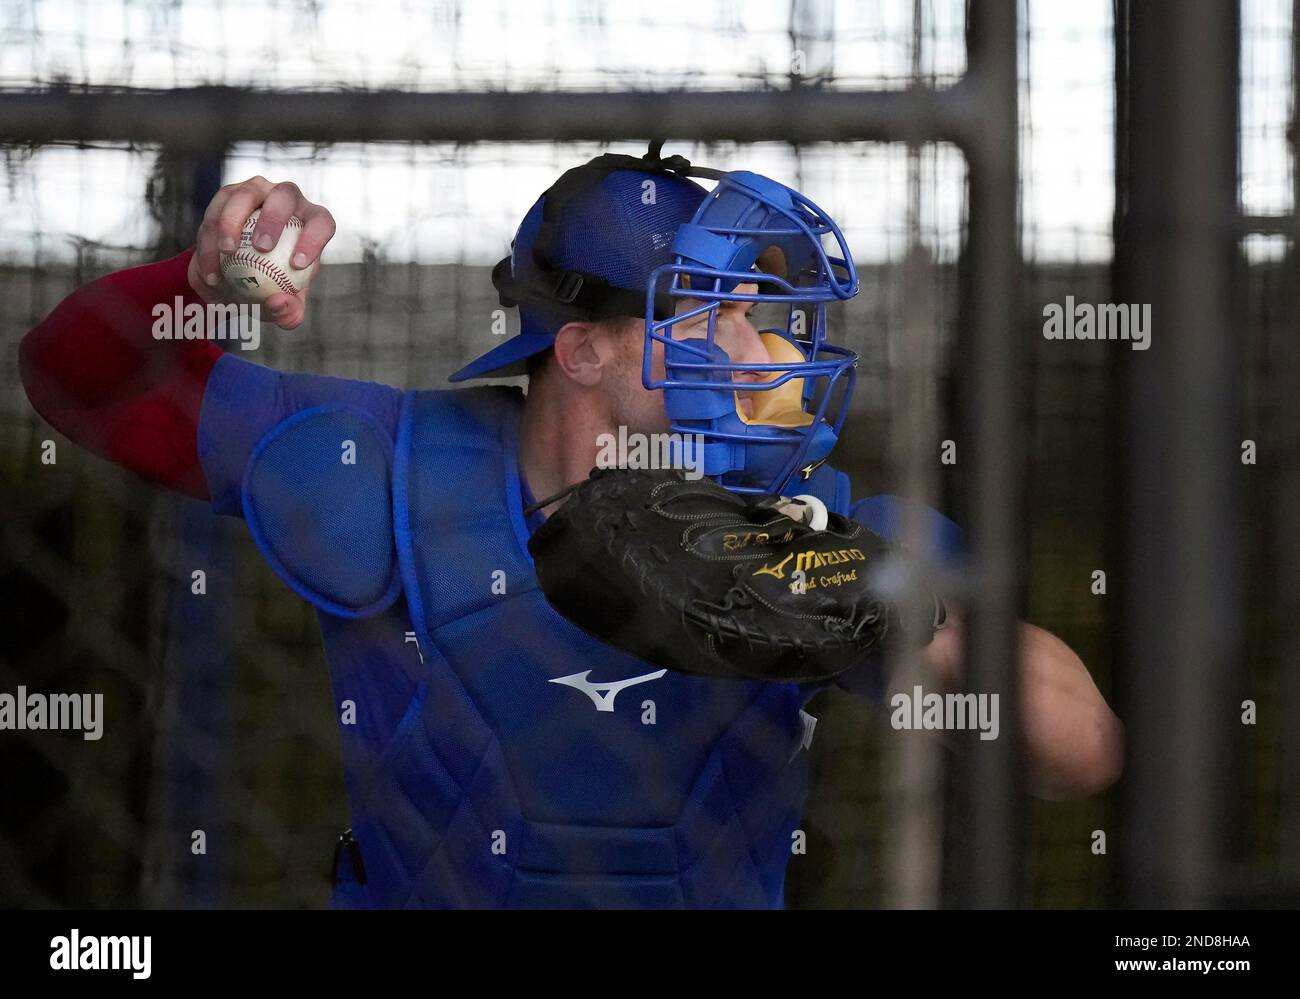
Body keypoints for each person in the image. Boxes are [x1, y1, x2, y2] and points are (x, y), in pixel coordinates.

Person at [19, 147, 1123, 909]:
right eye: (706, 314)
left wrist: (871, 606)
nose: (757, 353)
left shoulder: (805, 525)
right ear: (581, 348)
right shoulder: (379, 466)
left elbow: (1082, 747)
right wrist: (195, 283)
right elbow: (74, 381)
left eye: (757, 316)